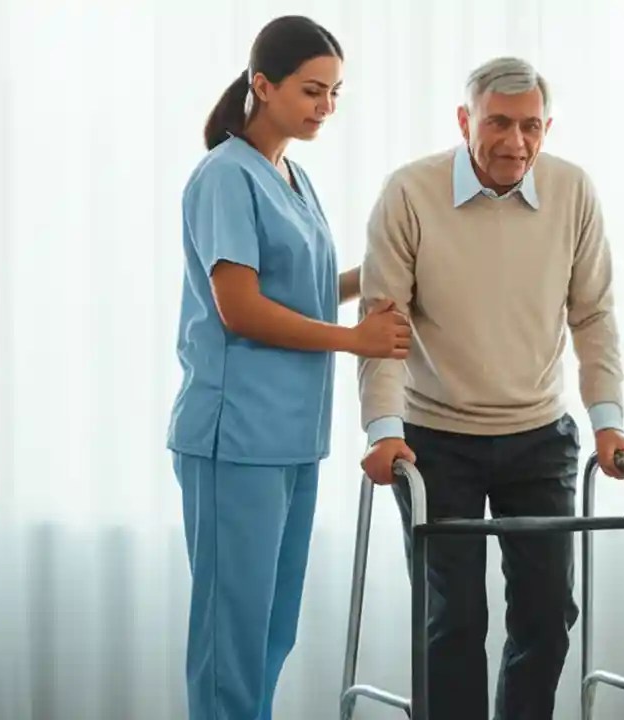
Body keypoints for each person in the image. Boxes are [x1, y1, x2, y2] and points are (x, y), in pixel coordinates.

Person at [357, 56, 624, 719]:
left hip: (539, 435)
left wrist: (606, 422)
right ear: (465, 121)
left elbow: (594, 313)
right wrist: (384, 431)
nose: (515, 143)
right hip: (435, 438)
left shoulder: (573, 190)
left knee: (547, 616)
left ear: (547, 127)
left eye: (531, 126)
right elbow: (384, 321)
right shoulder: (409, 191)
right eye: (498, 124)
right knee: (454, 618)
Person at [166, 15, 411, 720]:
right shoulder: (223, 175)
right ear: (262, 85)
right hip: (233, 438)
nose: (325, 108)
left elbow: (297, 290)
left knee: (273, 628)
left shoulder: (292, 177)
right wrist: (354, 341)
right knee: (232, 634)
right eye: (311, 91)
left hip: (292, 439)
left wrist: (383, 272)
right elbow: (241, 308)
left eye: (335, 93)